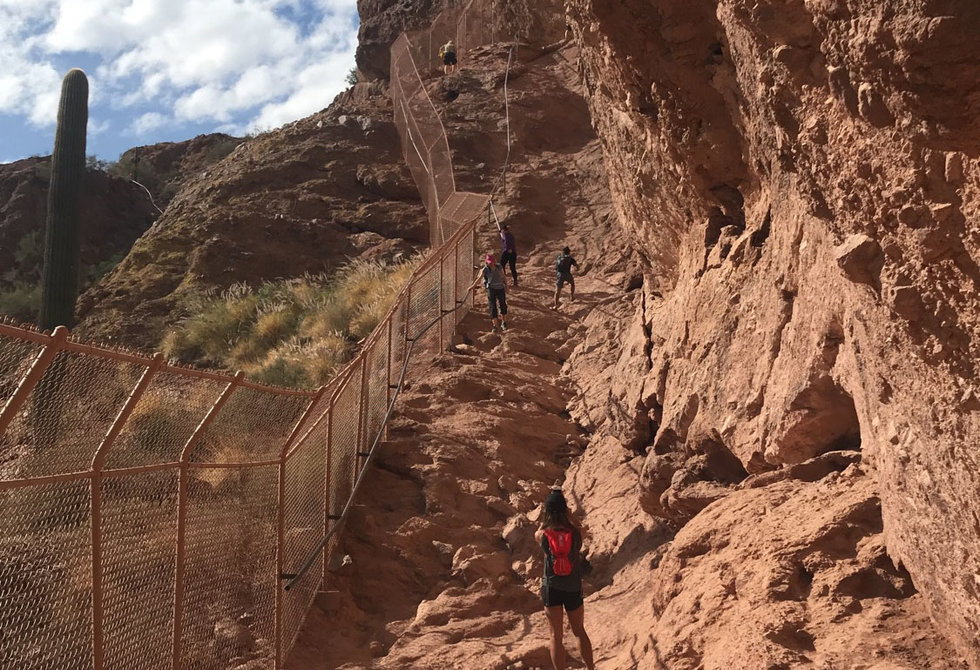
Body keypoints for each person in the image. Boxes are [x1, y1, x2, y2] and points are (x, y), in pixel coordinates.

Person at [535, 489, 595, 670]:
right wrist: (570, 516)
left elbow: (538, 531)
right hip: (573, 587)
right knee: (579, 631)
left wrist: (545, 518)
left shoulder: (542, 535)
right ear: (565, 510)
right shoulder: (577, 534)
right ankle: (591, 668)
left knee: (555, 636)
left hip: (551, 587)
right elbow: (584, 527)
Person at [470, 253, 508, 332]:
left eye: (492, 262)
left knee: (503, 304)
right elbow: (479, 279)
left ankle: (504, 322)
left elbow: (503, 276)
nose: (491, 264)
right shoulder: (485, 269)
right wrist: (472, 287)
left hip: (500, 287)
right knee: (492, 306)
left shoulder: (499, 267)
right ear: (487, 262)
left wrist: (507, 286)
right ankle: (495, 325)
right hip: (491, 288)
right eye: (489, 262)